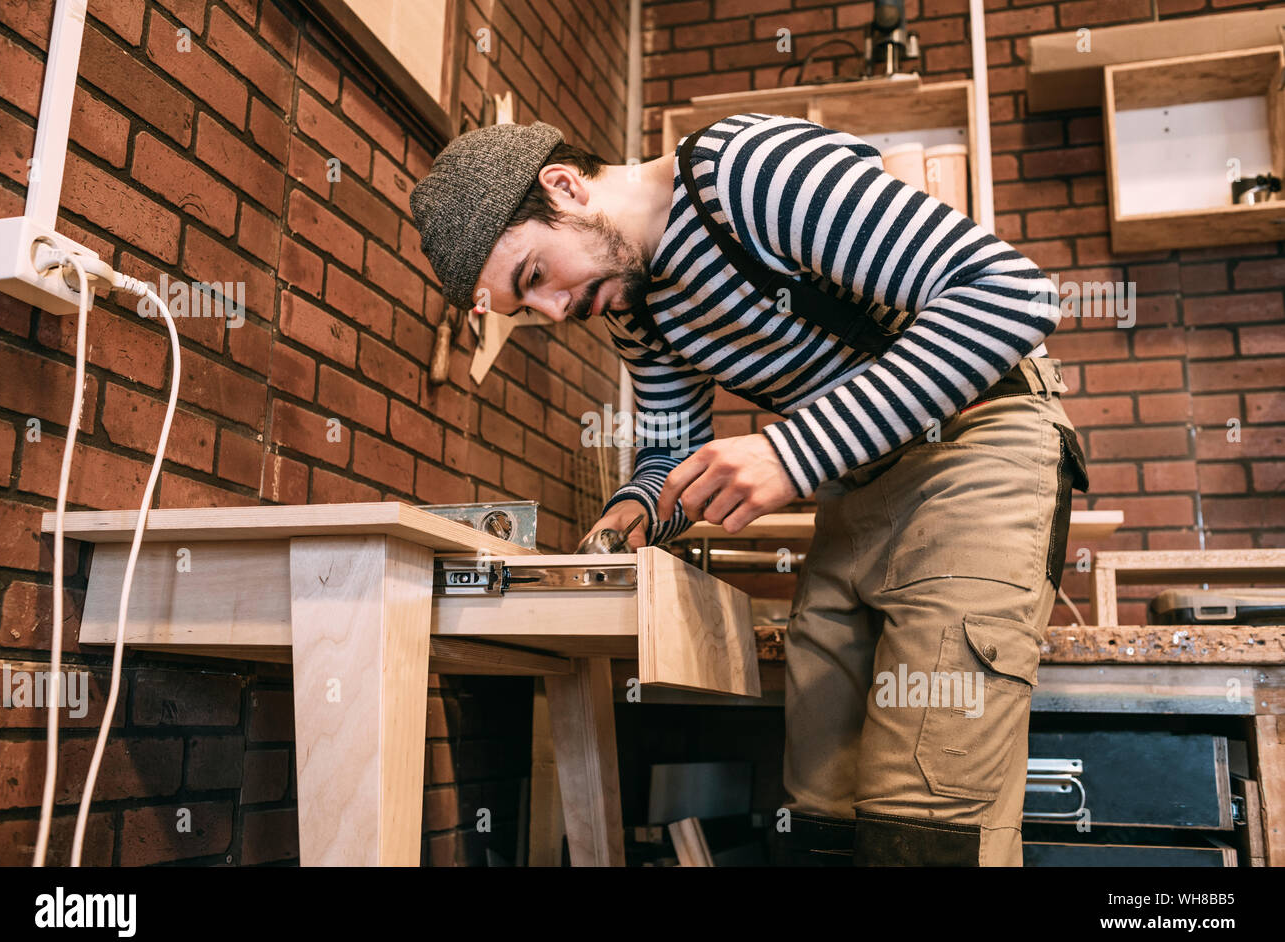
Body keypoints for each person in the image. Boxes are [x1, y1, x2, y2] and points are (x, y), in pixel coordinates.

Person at [409, 112, 1089, 866]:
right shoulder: (634, 303)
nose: (555, 311)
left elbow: (1010, 295)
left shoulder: (751, 176)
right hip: (854, 480)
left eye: (533, 277)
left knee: (926, 821)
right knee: (821, 805)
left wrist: (793, 451)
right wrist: (632, 512)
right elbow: (671, 451)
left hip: (978, 445)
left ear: (565, 187)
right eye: (525, 309)